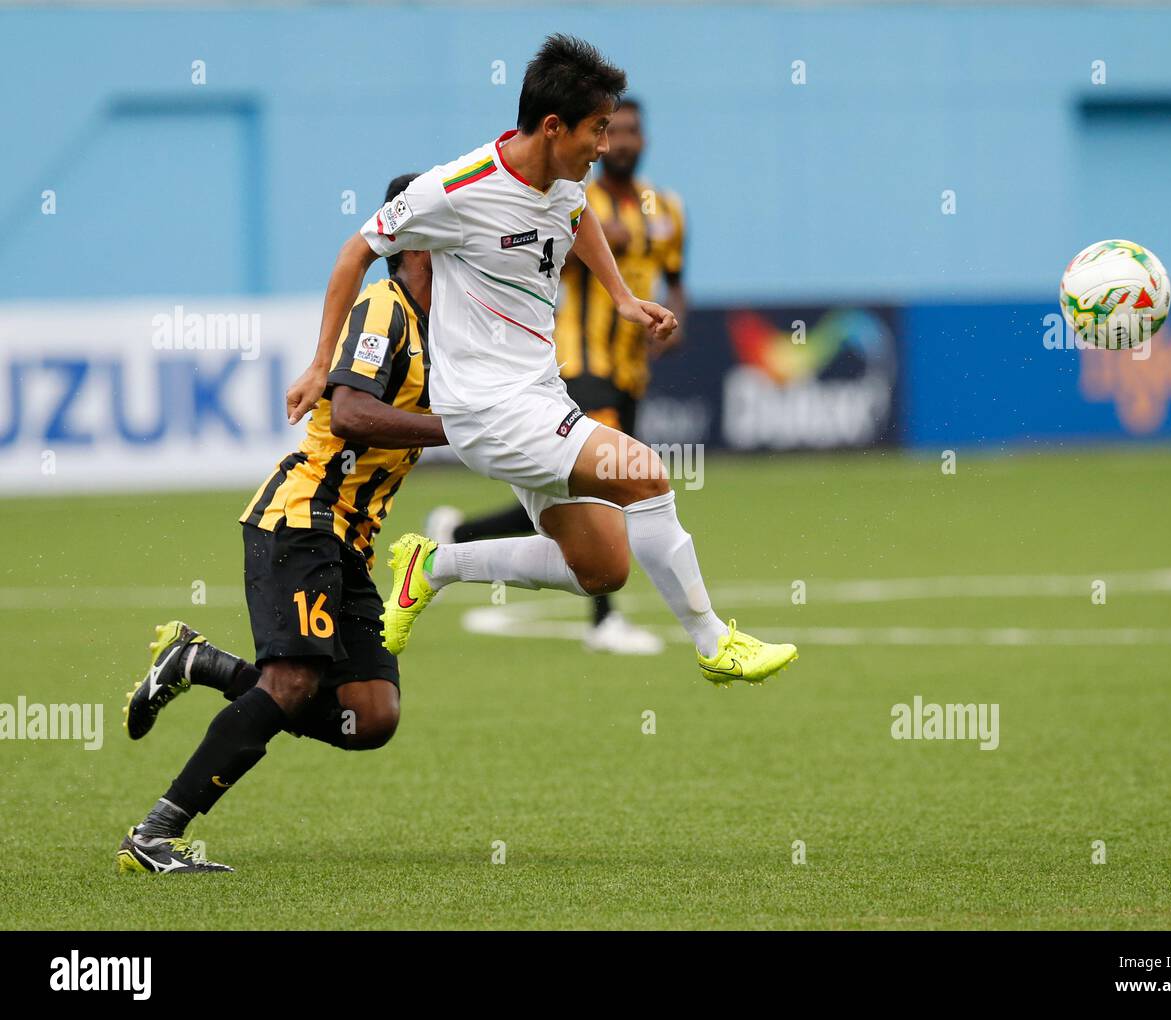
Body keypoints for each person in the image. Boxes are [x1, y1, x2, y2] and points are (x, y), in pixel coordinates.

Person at [287, 35, 798, 687]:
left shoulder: (564, 180)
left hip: (541, 397)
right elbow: (355, 251)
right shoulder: (456, 189)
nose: (605, 145)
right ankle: (713, 643)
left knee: (602, 567)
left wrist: (622, 298)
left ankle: (434, 566)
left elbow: (576, 216)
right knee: (644, 473)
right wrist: (317, 365)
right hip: (485, 407)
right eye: (597, 129)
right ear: (553, 126)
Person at [116, 174, 445, 874]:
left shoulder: (444, 323)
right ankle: (154, 834)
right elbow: (352, 412)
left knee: (369, 715)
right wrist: (461, 427)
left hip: (350, 542)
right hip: (302, 517)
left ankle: (199, 663)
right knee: (292, 681)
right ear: (420, 240)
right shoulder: (384, 310)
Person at [423, 97, 685, 656]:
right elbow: (540, 261)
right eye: (612, 129)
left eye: (633, 131)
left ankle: (457, 538)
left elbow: (676, 274)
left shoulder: (666, 209)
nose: (622, 142)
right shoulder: (572, 198)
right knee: (608, 483)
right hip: (580, 360)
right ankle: (605, 619)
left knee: (573, 486)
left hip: (630, 369)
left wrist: (667, 314)